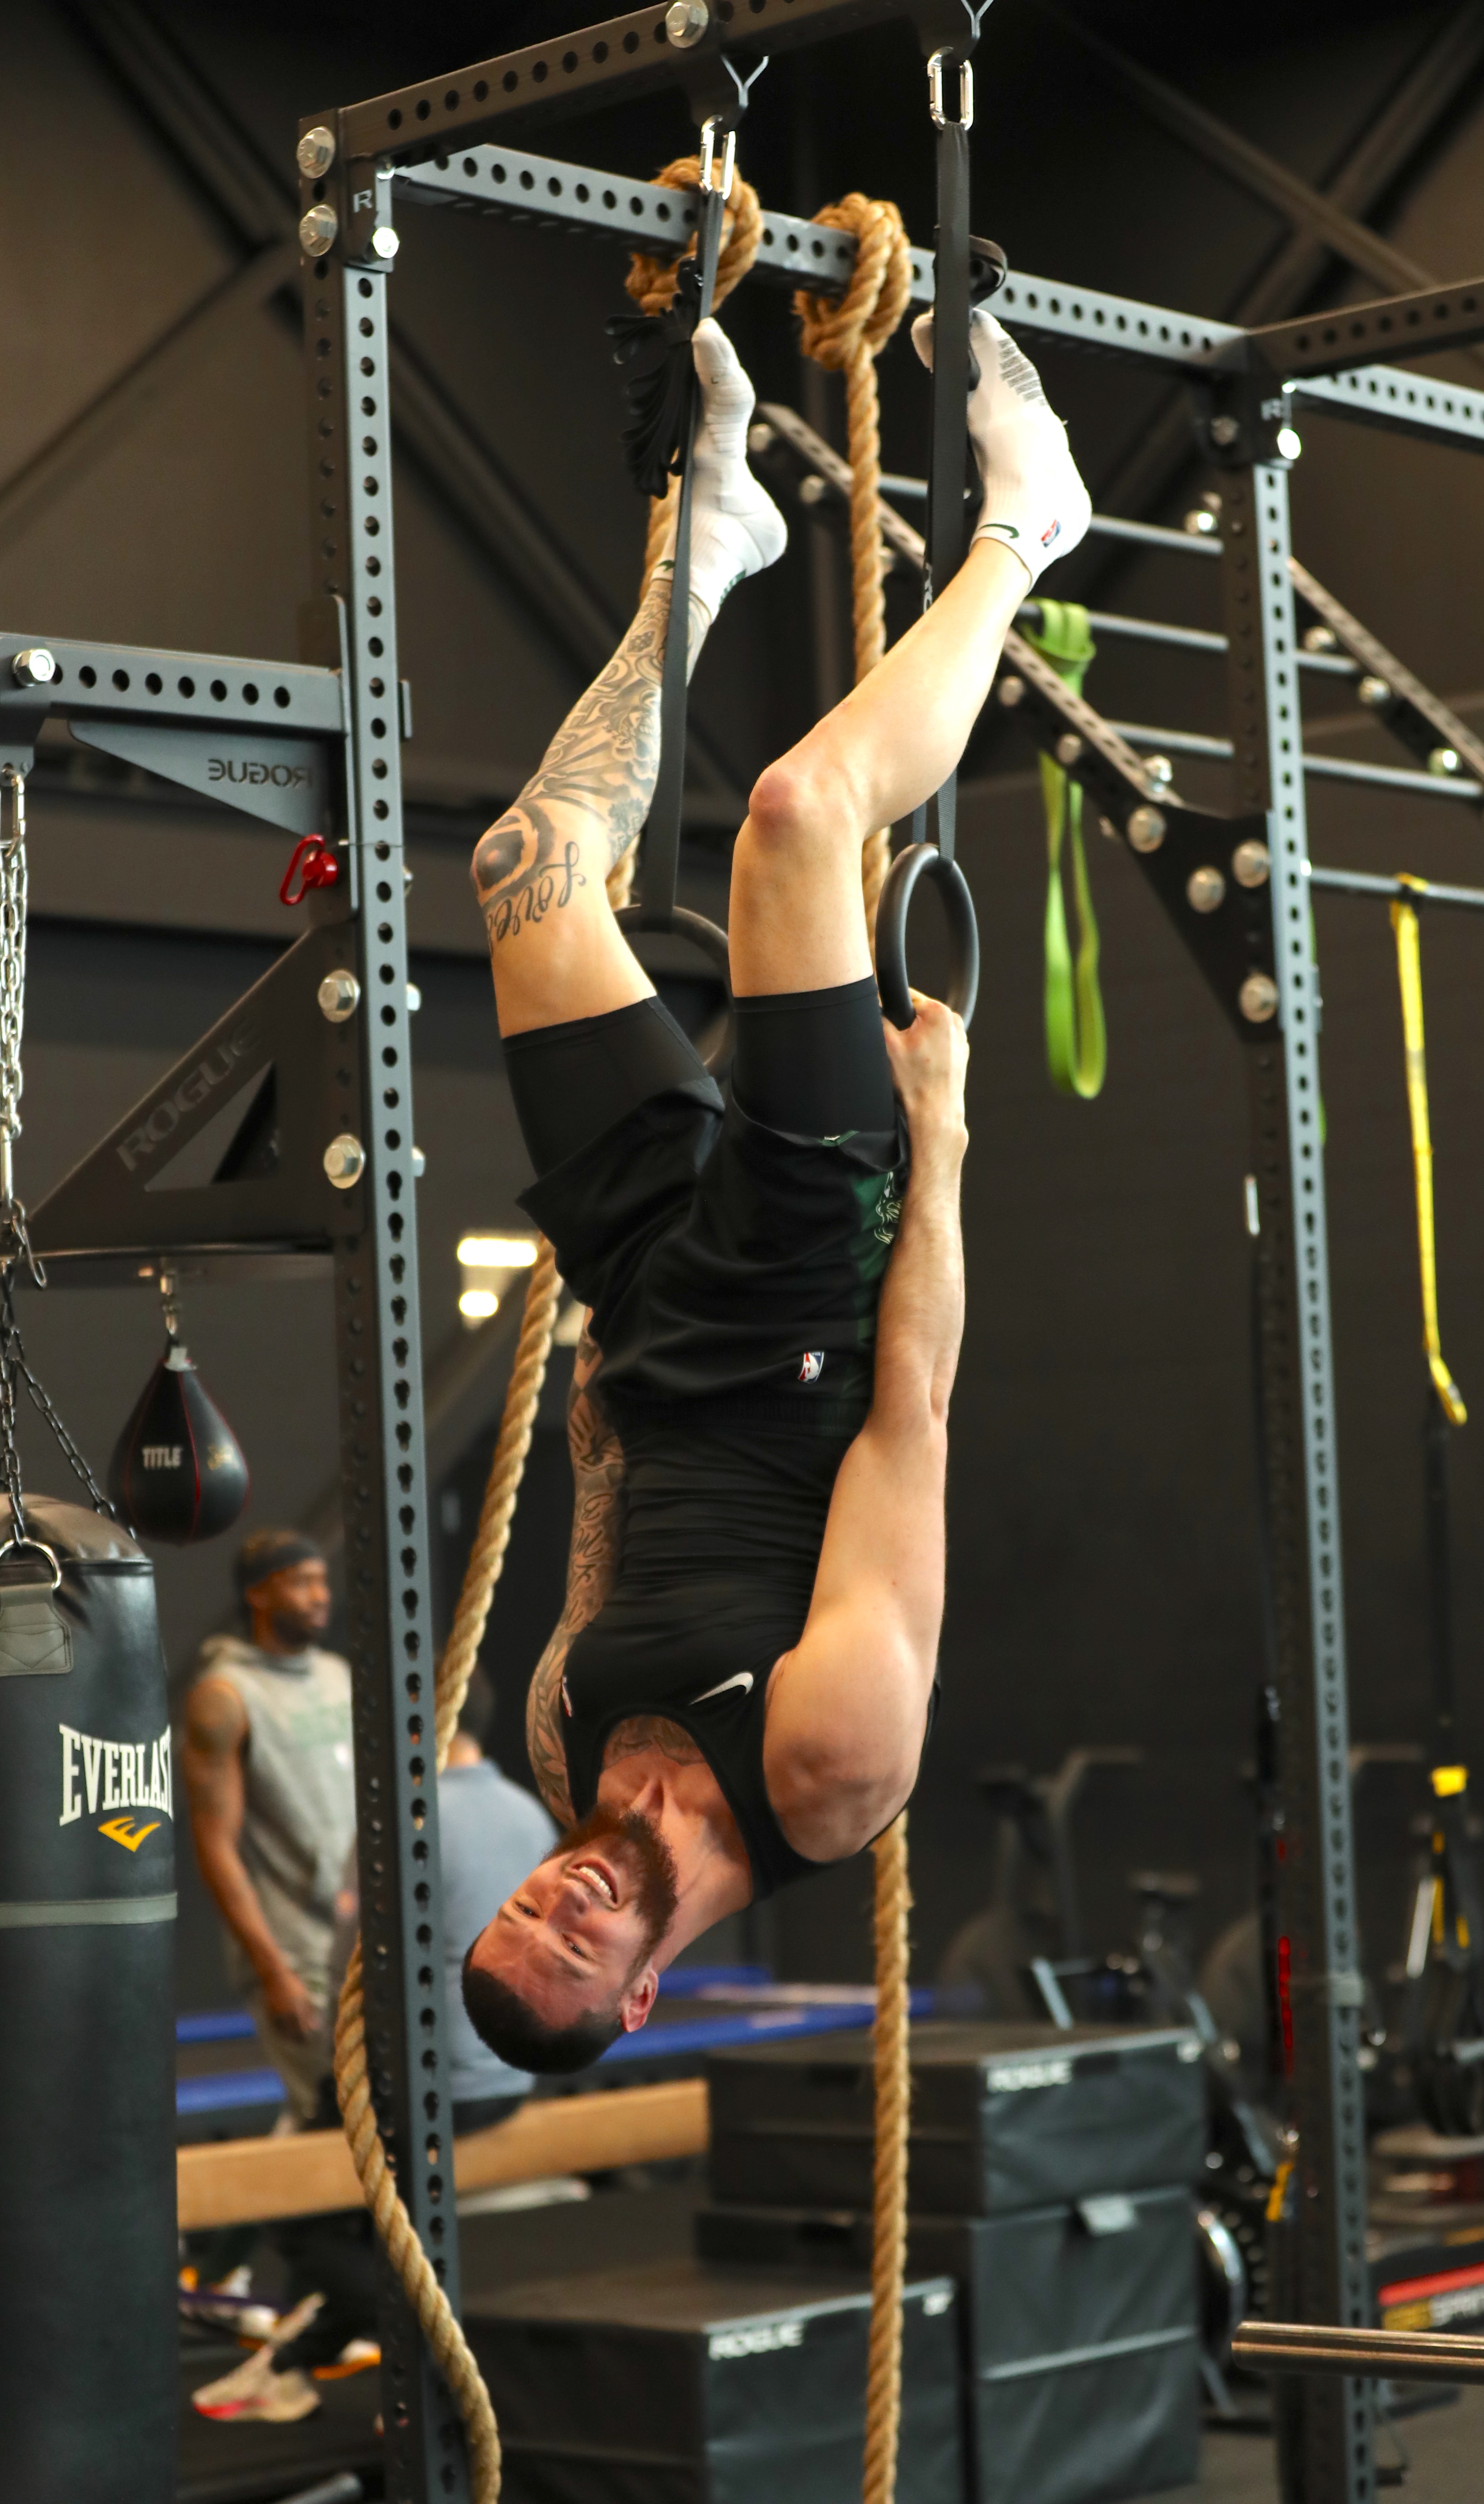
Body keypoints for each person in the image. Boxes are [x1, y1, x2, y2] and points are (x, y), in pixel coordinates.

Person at [460, 308, 1089, 2074]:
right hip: (810, 1296)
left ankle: (714, 550)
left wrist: (607, 1320)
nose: (555, 1912)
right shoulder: (823, 1778)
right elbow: (913, 1422)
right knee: (806, 816)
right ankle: (1027, 530)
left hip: (646, 1285)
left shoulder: (560, 1751)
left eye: (516, 1917)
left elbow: (597, 1503)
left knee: (524, 864)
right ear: (637, 1999)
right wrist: (942, 1142)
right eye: (569, 1957)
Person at [193, 1668, 556, 2424]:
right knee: (376, 2230)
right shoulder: (530, 1814)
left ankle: (436, 2350)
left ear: (414, 1730)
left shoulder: (404, 1816)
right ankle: (286, 2366)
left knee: (300, 2218)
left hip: (431, 2090)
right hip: (507, 2079)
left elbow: (351, 1966)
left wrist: (335, 2076)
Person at [182, 1527, 356, 2123]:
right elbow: (215, 1846)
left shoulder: (338, 1675)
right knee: (331, 2119)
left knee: (380, 2116)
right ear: (258, 1595)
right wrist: (273, 1970)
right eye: (302, 1582)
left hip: (361, 1940)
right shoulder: (225, 1696)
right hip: (295, 1952)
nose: (320, 1595)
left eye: (323, 1581)